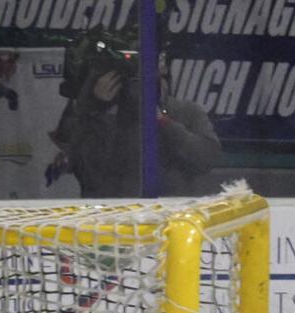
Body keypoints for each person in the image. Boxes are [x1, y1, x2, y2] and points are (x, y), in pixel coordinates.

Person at [48, 29, 220, 197]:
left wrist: (162, 121)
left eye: (143, 61)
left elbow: (206, 159)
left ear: (162, 64)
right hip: (113, 219)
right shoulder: (95, 112)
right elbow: (85, 173)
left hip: (168, 217)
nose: (138, 74)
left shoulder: (185, 111)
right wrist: (96, 110)